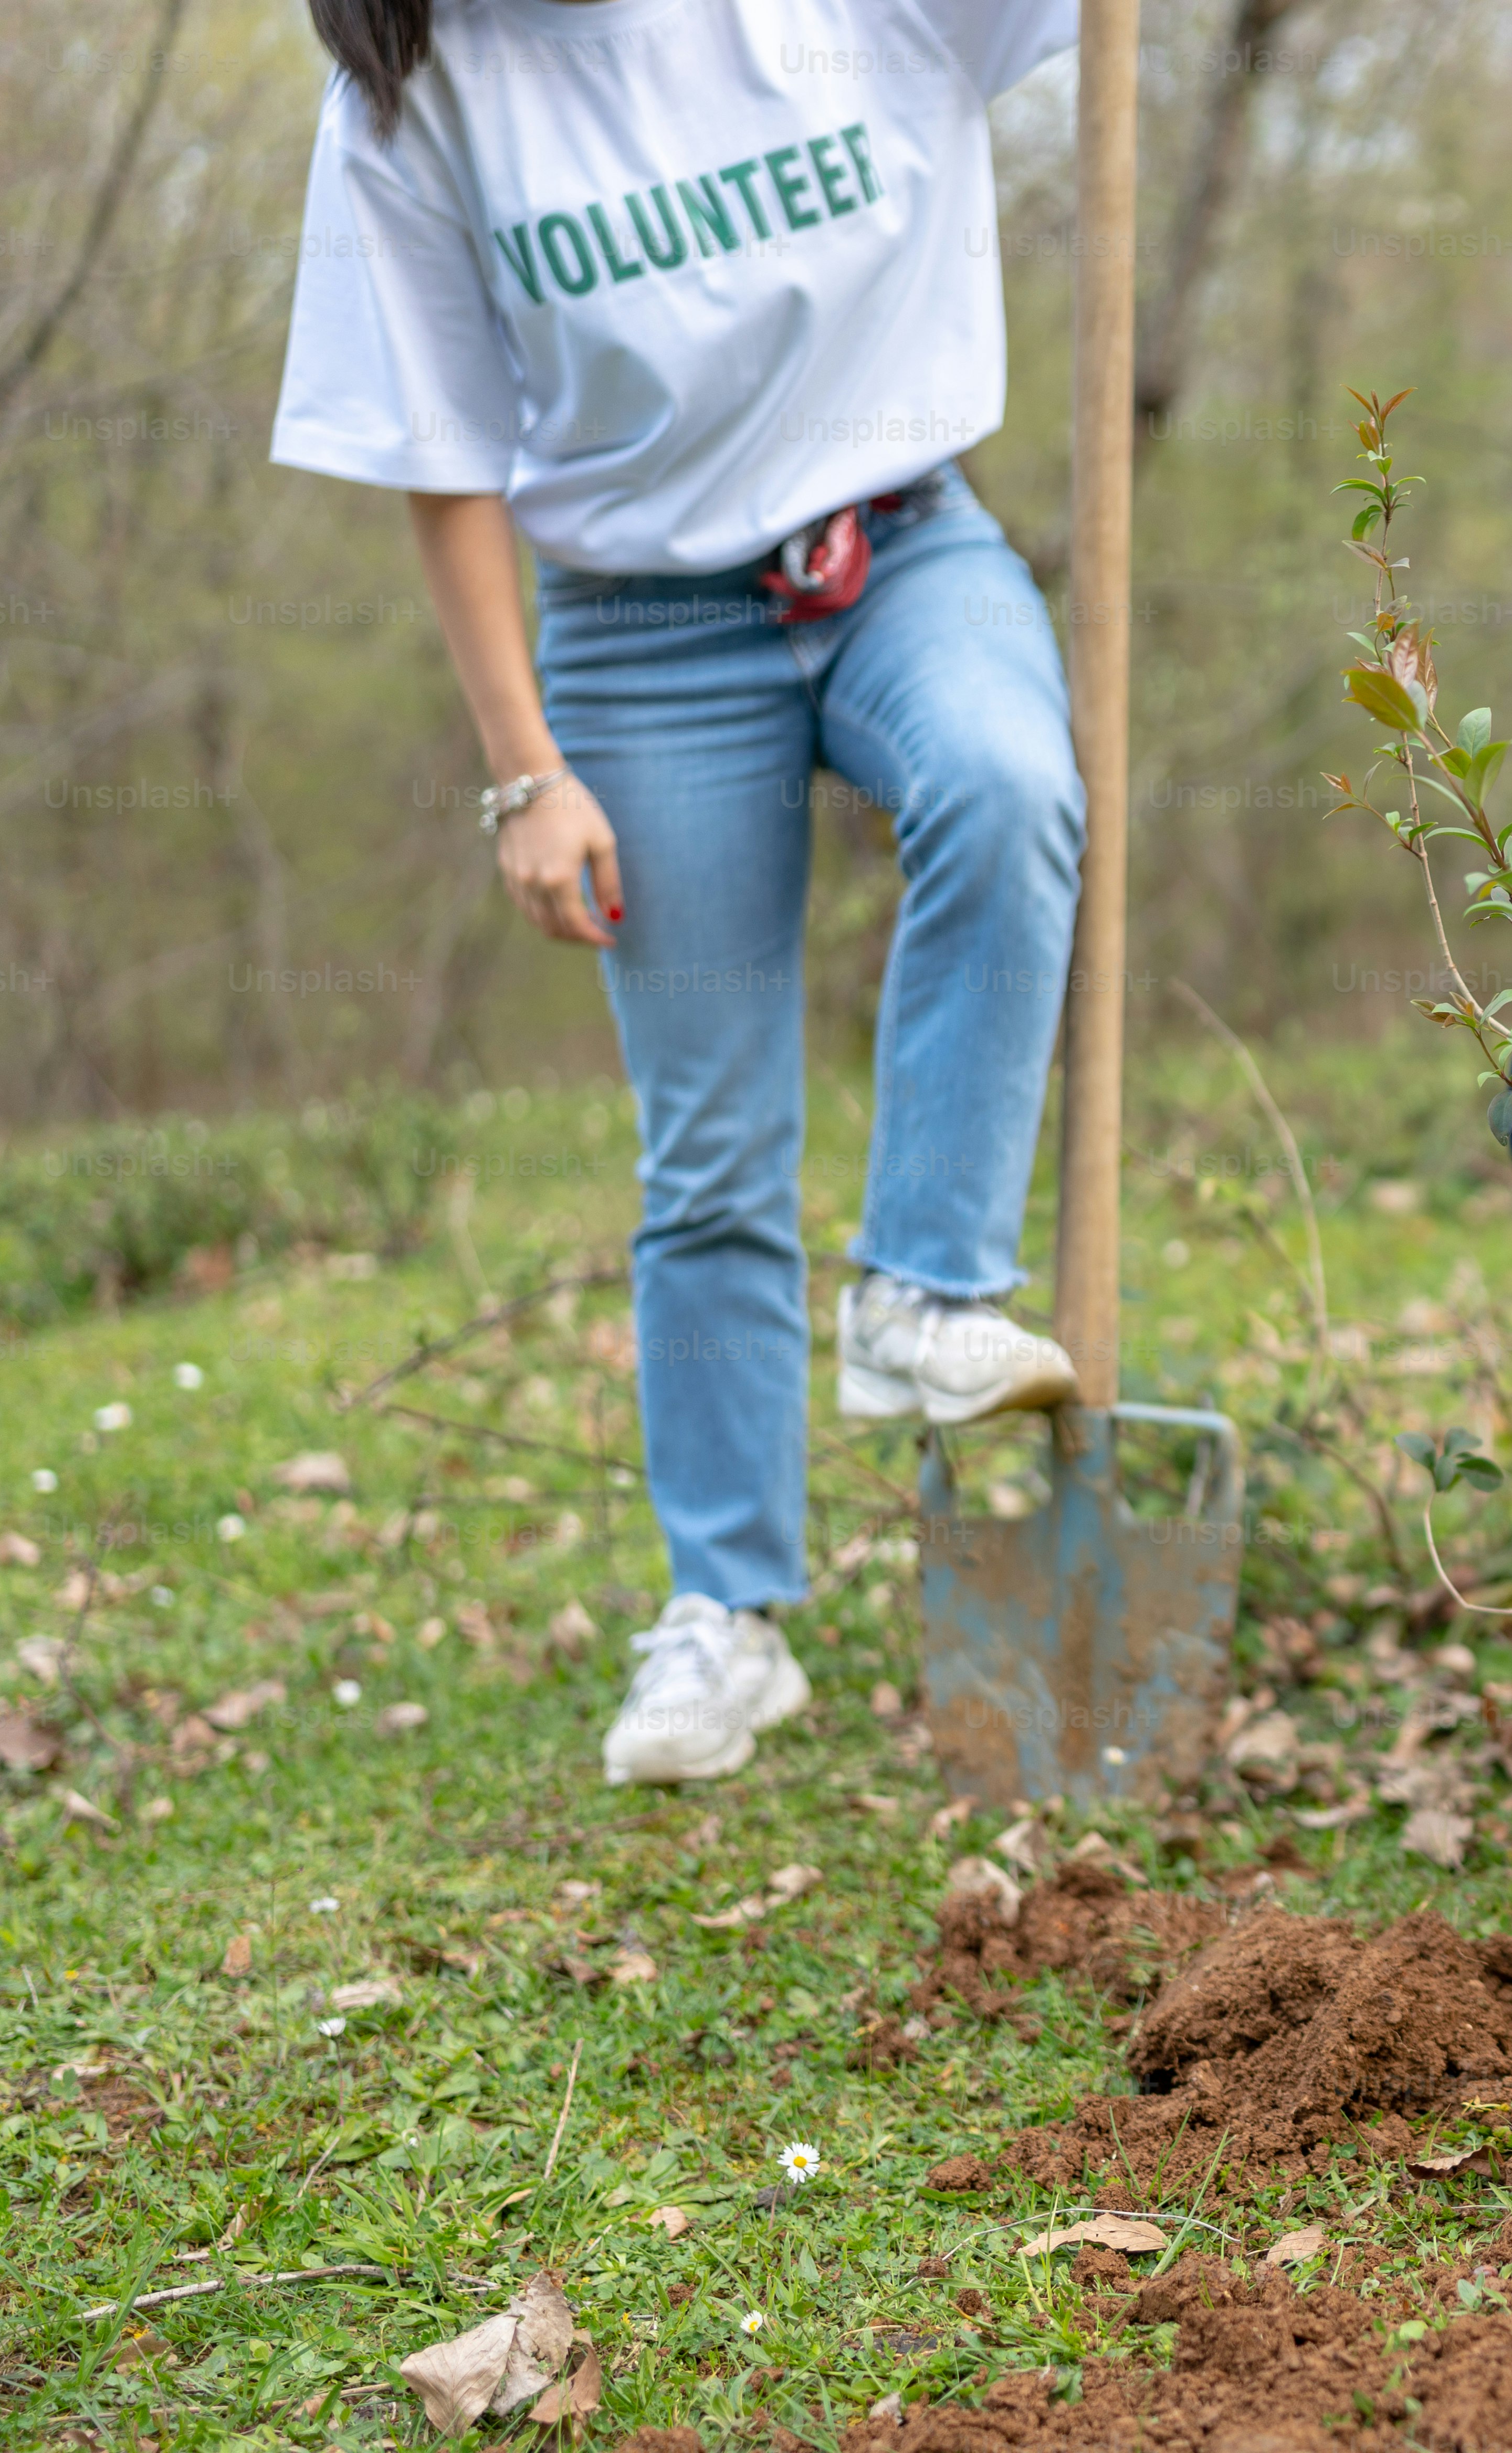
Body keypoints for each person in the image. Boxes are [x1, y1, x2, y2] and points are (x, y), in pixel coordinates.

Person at [269, 0, 1093, 1785]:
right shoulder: (417, 88)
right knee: (710, 1147)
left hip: (904, 548)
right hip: (642, 640)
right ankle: (727, 1614)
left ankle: (923, 1295)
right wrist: (525, 769)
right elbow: (442, 457)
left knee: (1010, 782)